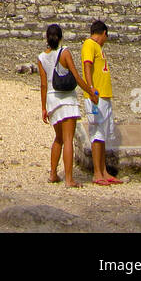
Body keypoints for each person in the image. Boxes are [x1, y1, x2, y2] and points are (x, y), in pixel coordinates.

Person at [37, 23, 98, 187]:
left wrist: (43, 107)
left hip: (51, 98)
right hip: (66, 99)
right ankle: (69, 179)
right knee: (68, 138)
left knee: (58, 138)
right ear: (61, 36)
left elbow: (43, 84)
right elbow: (77, 77)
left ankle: (53, 173)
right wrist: (90, 92)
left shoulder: (41, 57)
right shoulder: (64, 53)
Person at [82, 20, 123, 185]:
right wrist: (91, 89)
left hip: (104, 95)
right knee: (97, 134)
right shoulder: (89, 44)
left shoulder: (98, 48)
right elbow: (87, 66)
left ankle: (103, 170)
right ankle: (97, 173)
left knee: (103, 134)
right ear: (103, 33)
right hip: (95, 96)